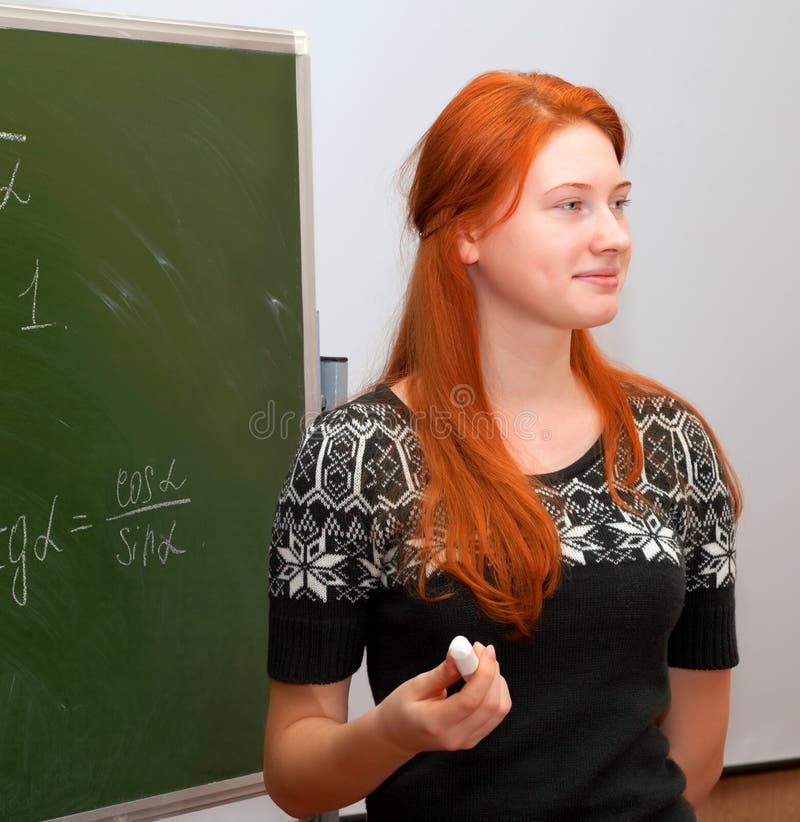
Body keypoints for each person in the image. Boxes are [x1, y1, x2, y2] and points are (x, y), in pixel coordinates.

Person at [262, 70, 743, 821]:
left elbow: (699, 749)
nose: (613, 235)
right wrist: (393, 732)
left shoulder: (672, 443)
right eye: (571, 206)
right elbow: (294, 771)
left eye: (619, 203)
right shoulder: (354, 457)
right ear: (467, 231)